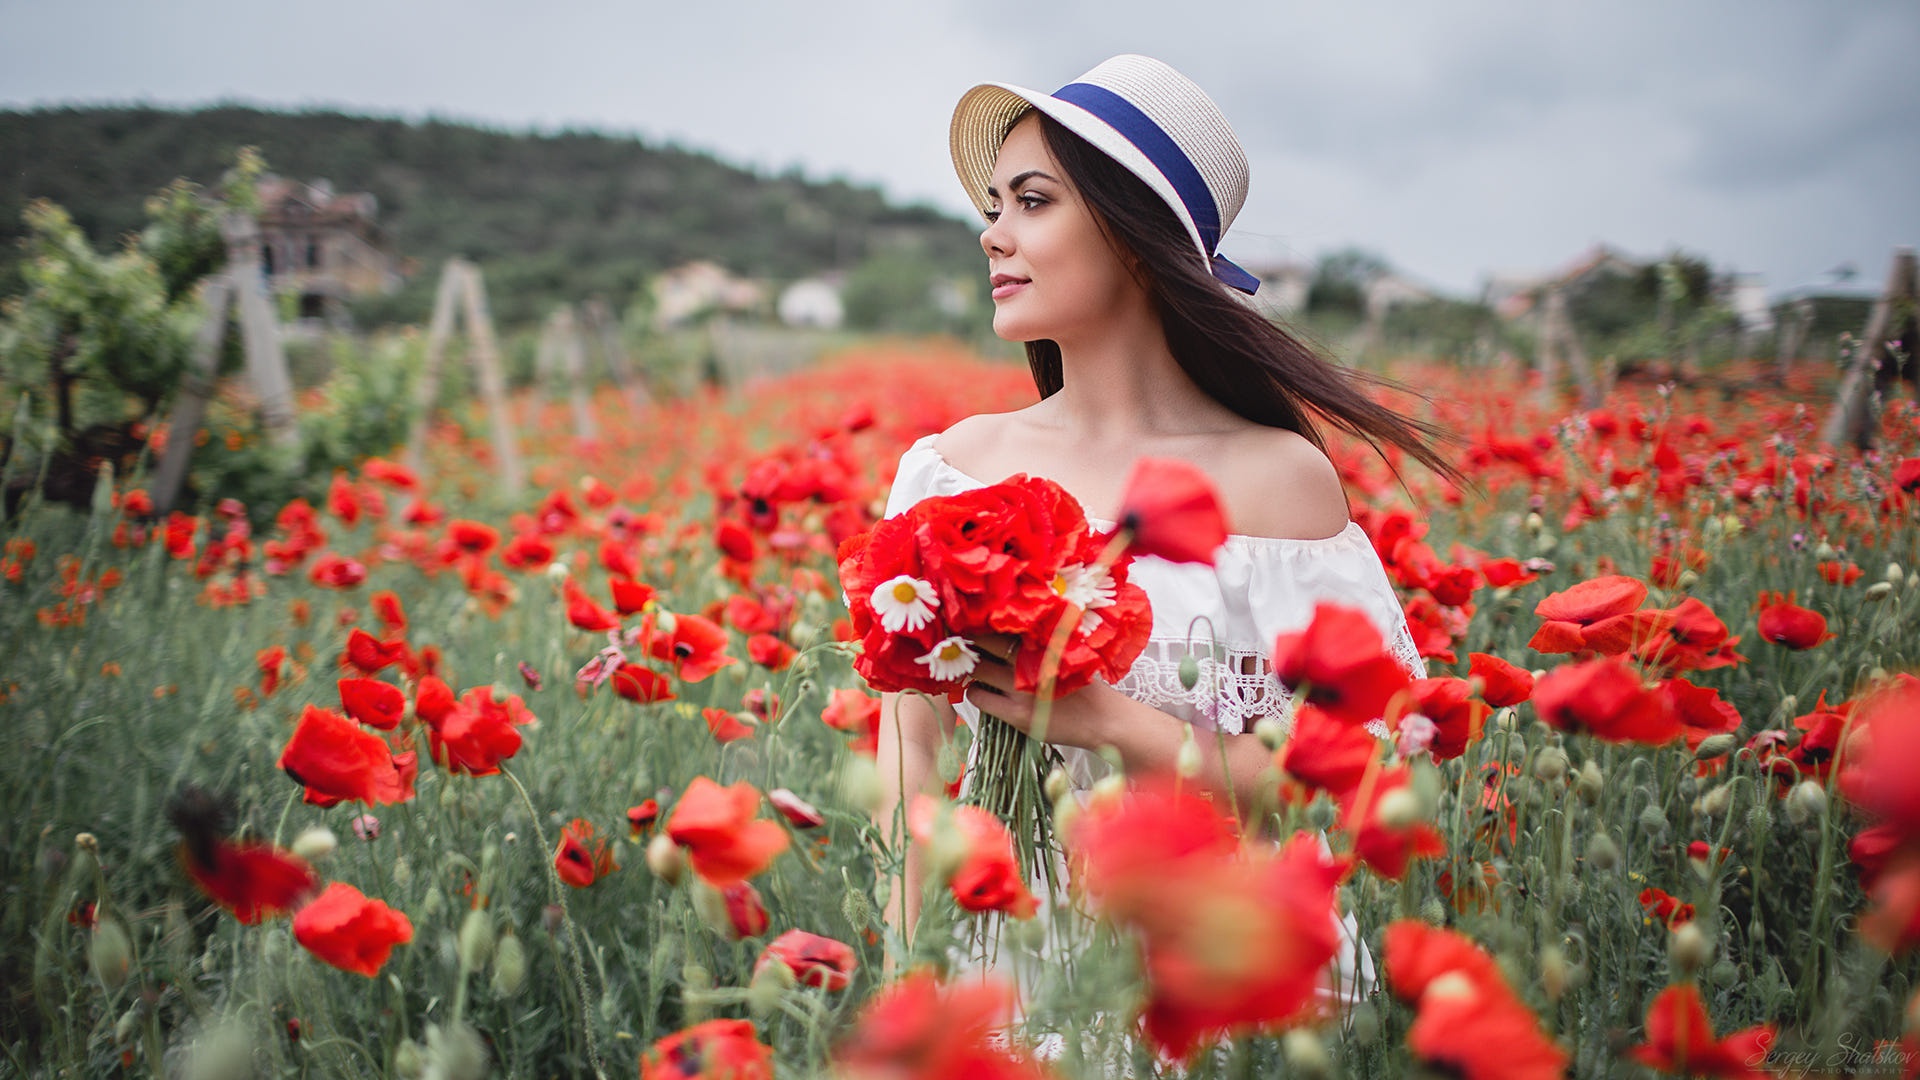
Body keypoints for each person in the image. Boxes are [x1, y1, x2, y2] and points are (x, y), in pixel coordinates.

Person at [873, 54, 1457, 991]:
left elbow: (1359, 784)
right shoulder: (951, 467)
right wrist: (908, 958)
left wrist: (1115, 726)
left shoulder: (1277, 482)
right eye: (993, 206)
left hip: (1230, 966)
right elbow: (906, 743)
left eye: (1032, 201)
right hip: (1009, 963)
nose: (992, 235)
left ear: (1136, 239)